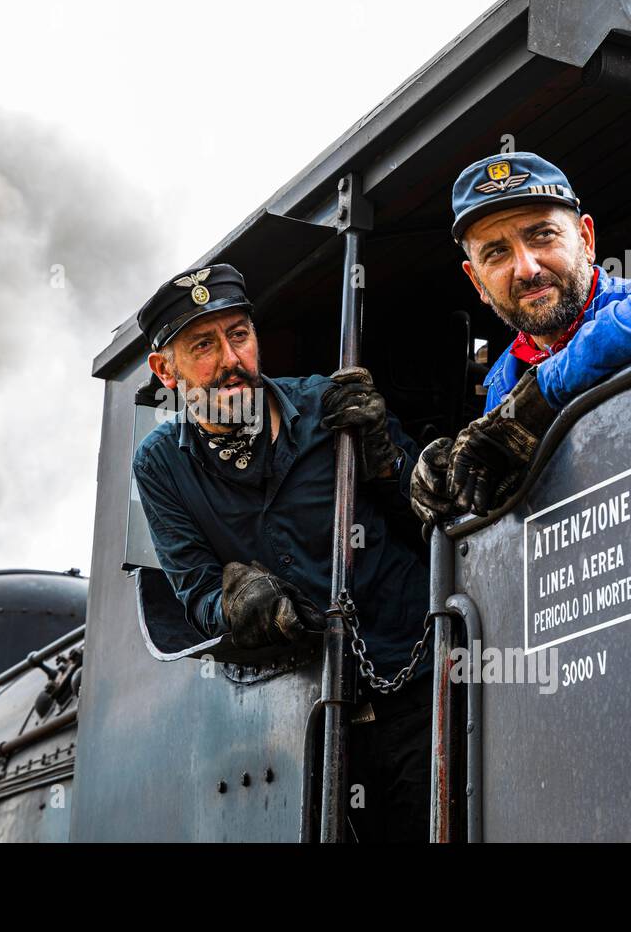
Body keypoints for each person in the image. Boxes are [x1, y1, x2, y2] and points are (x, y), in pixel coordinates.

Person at [131, 263, 432, 841]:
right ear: (165, 370)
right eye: (203, 345)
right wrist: (244, 609)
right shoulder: (160, 464)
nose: (230, 360)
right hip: (311, 714)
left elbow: (426, 513)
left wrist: (388, 459)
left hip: (414, 677)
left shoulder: (329, 405)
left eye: (239, 335)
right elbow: (197, 593)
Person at [411, 151, 631, 529]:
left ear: (586, 239)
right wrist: (449, 488)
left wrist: (544, 393)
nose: (527, 268)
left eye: (542, 235)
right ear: (477, 281)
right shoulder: (501, 387)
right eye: (497, 253)